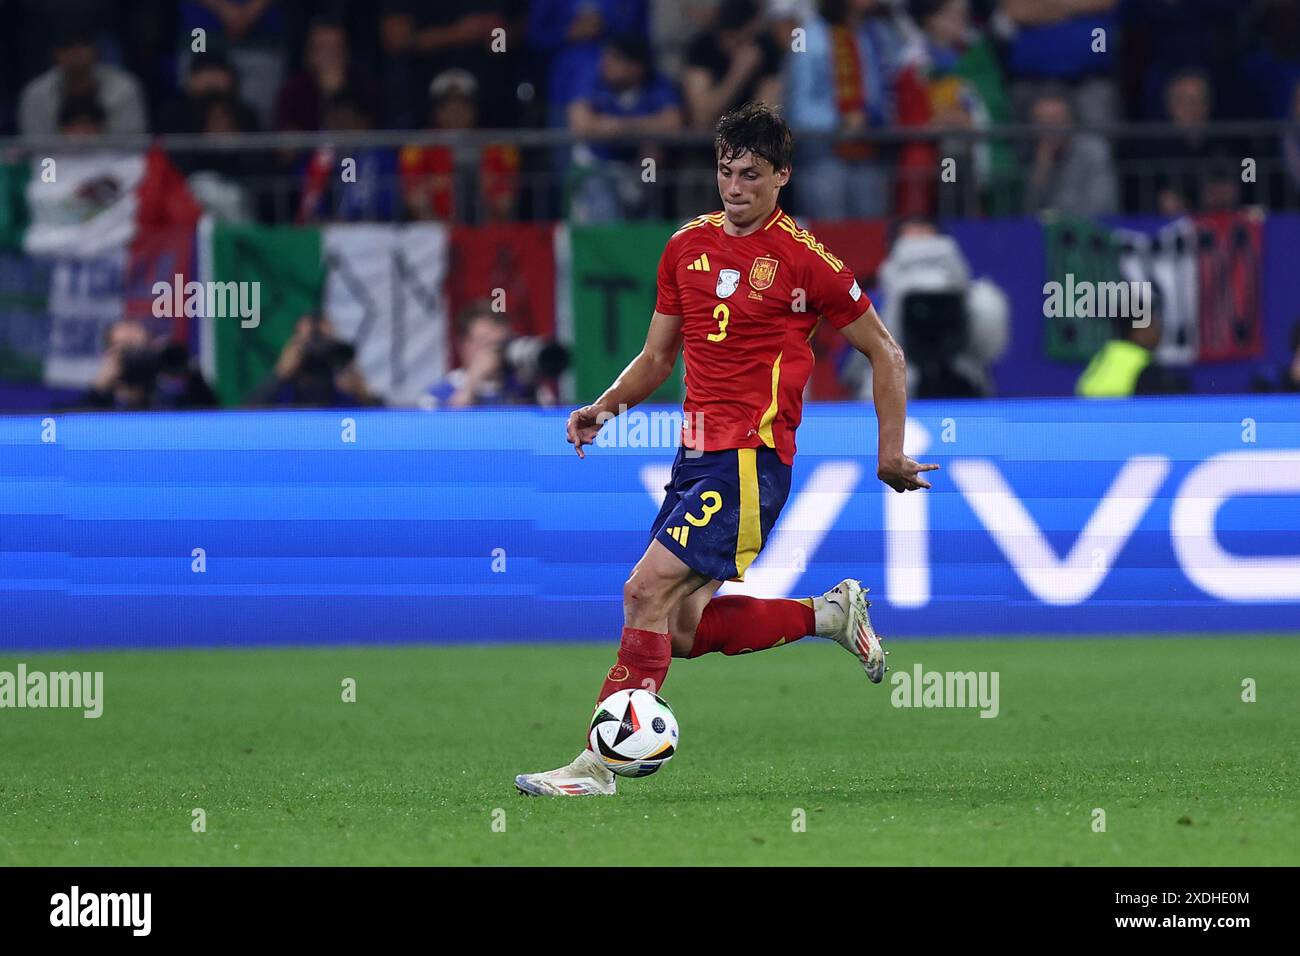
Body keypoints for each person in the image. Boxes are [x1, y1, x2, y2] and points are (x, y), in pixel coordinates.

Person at [515, 102, 938, 797]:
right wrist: (604, 408)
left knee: (641, 590)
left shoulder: (806, 261)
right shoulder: (686, 246)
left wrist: (889, 450)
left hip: (750, 459)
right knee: (679, 628)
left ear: (781, 178)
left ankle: (598, 767)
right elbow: (657, 358)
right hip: (696, 458)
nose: (734, 187)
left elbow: (886, 353)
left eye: (750, 174)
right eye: (724, 171)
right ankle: (826, 613)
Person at [18, 25, 147, 136]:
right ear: (56, 53)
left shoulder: (124, 87)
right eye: (68, 47)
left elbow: (132, 141)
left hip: (114, 160)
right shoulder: (36, 93)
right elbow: (34, 146)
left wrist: (97, 139)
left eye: (82, 46)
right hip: (55, 161)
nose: (76, 54)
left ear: (95, 50)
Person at [80, 319, 218, 411]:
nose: (136, 357)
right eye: (127, 349)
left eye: (140, 348)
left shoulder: (173, 400)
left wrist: (188, 370)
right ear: (111, 355)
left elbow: (212, 417)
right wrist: (98, 389)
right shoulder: (102, 408)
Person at [246, 315, 381, 407]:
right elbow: (242, 423)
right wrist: (279, 374)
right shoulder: (281, 393)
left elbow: (384, 432)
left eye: (324, 341)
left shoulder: (345, 393)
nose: (318, 350)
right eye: (310, 342)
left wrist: (363, 395)